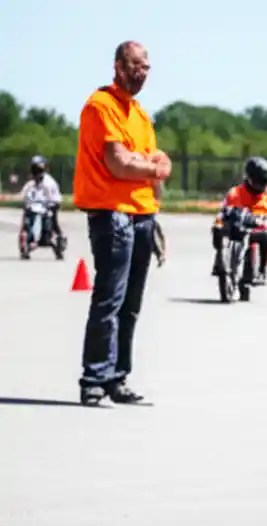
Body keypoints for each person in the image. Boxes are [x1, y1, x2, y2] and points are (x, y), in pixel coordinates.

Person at [73, 40, 171, 406]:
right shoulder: (102, 105)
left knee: (131, 303)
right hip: (112, 213)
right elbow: (119, 163)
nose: (140, 72)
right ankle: (94, 378)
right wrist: (154, 167)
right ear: (117, 65)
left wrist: (155, 216)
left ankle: (118, 376)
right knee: (109, 298)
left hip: (141, 215)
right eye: (133, 65)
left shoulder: (141, 115)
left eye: (145, 66)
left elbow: (150, 170)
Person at [214, 157, 267, 284]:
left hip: (257, 229)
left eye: (264, 181)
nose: (261, 185)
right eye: (258, 181)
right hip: (237, 227)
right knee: (218, 229)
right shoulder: (236, 192)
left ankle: (262, 269)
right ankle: (220, 261)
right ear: (249, 177)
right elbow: (228, 209)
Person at [20, 155, 67, 248]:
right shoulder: (30, 182)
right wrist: (25, 201)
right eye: (34, 170)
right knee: (27, 218)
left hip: (49, 205)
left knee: (52, 220)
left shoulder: (49, 182)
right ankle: (27, 237)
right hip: (35, 206)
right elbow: (25, 193)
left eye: (38, 170)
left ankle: (59, 236)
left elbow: (54, 197)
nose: (36, 173)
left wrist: (53, 204)